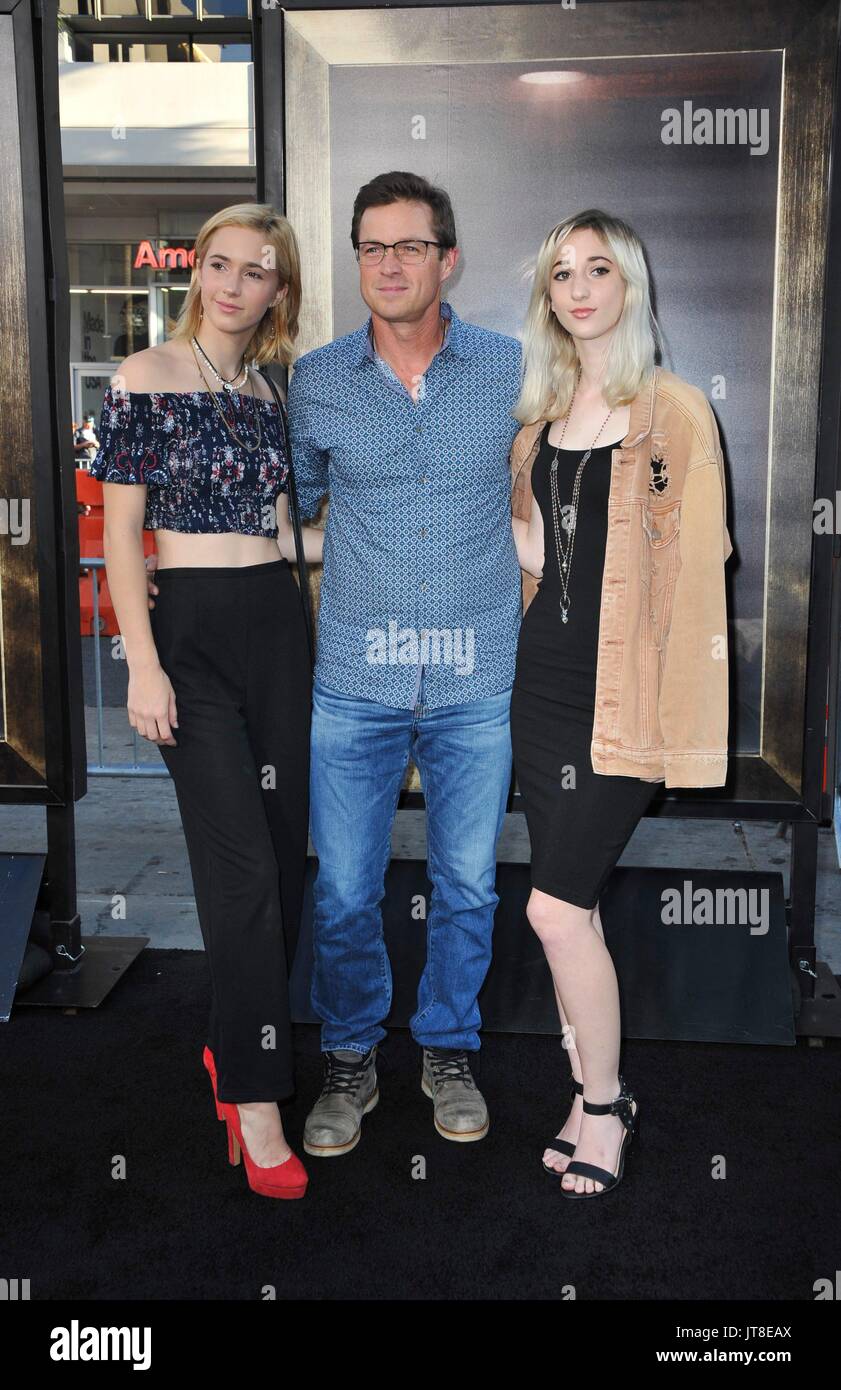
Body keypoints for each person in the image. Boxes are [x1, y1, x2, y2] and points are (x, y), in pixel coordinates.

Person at [286, 170, 523, 1156]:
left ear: (447, 258)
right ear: (357, 263)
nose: (389, 264)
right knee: (341, 888)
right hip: (355, 677)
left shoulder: (513, 370)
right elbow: (293, 510)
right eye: (372, 247)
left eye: (410, 246)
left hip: (475, 679)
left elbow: (547, 492)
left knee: (467, 884)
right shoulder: (317, 380)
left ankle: (446, 1046)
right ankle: (349, 1058)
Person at [89, 203, 322, 1200]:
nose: (233, 283)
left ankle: (235, 1044)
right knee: (241, 873)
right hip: (185, 632)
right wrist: (142, 663)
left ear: (278, 288)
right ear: (200, 276)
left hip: (276, 623)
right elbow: (121, 533)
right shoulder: (144, 376)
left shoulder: (270, 389)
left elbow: (281, 535)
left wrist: (378, 536)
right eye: (220, 264)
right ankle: (257, 1100)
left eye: (255, 270)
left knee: (284, 858)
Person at [509, 210, 734, 1197]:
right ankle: (584, 1089)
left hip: (621, 698)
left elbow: (699, 570)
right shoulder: (539, 418)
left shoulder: (673, 411)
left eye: (598, 268)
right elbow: (536, 556)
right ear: (549, 297)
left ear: (629, 285)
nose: (580, 287)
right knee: (579, 910)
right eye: (563, 273)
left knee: (551, 911)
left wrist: (677, 719)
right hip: (540, 688)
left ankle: (604, 1107)